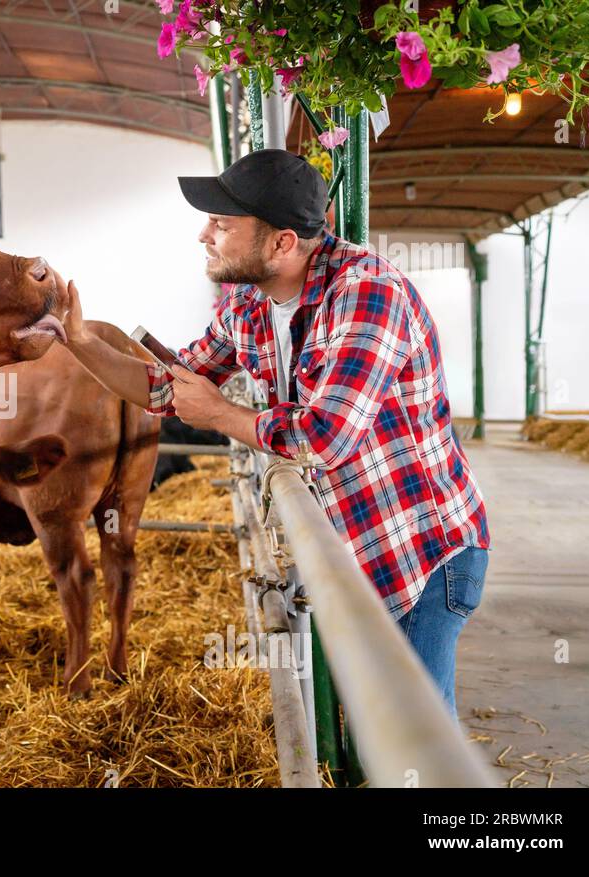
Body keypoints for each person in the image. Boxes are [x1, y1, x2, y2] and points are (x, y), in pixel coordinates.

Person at [59, 148, 490, 717]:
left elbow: (322, 440)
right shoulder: (249, 302)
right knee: (372, 723)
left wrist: (219, 414)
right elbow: (168, 387)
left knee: (415, 733)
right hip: (352, 545)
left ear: (283, 242)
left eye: (222, 224)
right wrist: (78, 343)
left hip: (416, 549)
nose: (203, 235)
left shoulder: (366, 293)